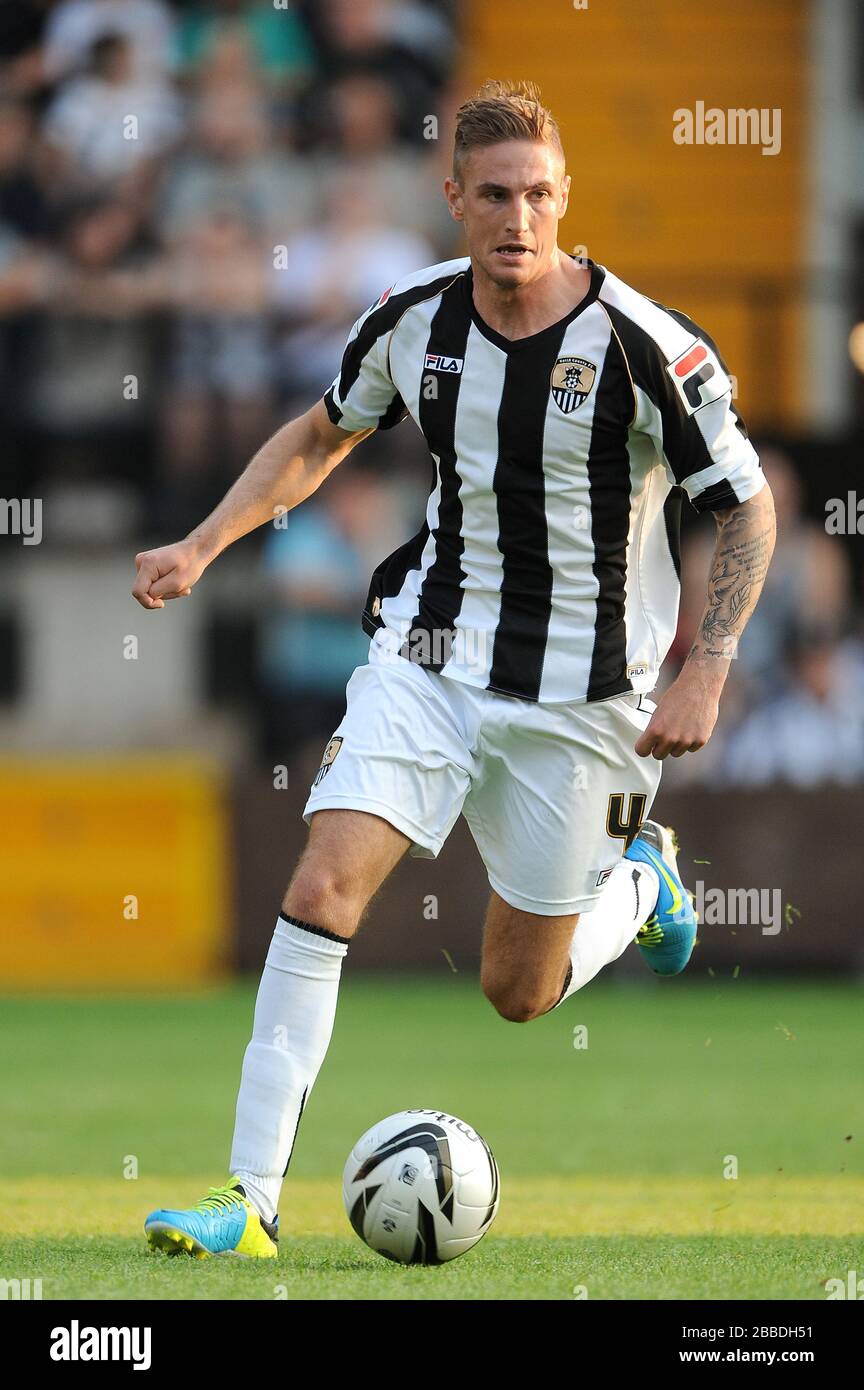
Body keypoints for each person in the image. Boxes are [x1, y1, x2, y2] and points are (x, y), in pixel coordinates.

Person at [132, 80, 776, 1260]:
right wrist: (204, 542)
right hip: (427, 656)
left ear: (564, 196)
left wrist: (709, 662)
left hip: (587, 699)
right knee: (325, 880)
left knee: (518, 993)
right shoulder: (411, 320)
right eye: (493, 196)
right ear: (453, 201)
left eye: (537, 194)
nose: (517, 217)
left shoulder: (644, 343)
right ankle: (248, 1198)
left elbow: (743, 509)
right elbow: (321, 434)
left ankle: (640, 884)